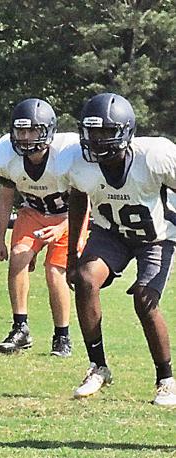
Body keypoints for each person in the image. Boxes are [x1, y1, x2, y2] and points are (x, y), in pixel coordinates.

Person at [65, 92, 176, 406]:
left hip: (157, 236)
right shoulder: (78, 162)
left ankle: (166, 380)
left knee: (144, 299)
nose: (97, 141)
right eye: (92, 133)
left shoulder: (155, 156)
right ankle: (98, 367)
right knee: (85, 280)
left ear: (126, 132)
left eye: (105, 133)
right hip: (111, 233)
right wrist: (74, 253)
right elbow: (77, 198)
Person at [0, 98, 82, 356]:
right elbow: (6, 196)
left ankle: (62, 336)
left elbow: (83, 201)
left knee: (55, 272)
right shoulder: (6, 155)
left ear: (48, 131)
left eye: (33, 130)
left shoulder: (66, 154)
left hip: (68, 215)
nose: (26, 136)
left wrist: (64, 226)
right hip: (33, 213)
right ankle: (21, 329)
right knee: (18, 258)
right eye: (21, 130)